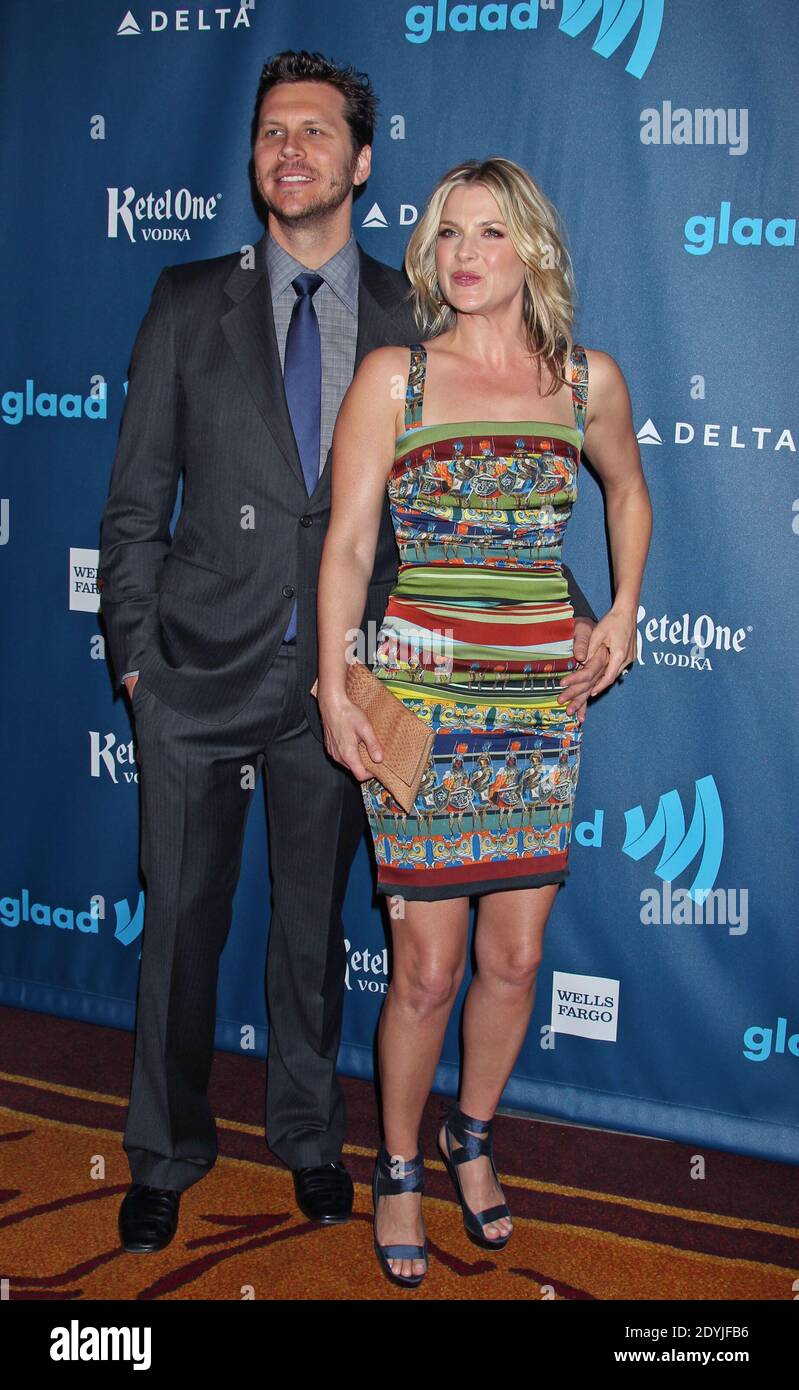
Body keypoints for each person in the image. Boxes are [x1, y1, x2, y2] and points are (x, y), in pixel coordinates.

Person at [98, 47, 603, 1256]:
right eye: (272, 131)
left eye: (316, 132)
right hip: (198, 671)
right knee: (180, 926)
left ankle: (313, 1140)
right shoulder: (184, 302)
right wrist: (135, 662)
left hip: (364, 686)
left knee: (317, 932)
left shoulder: (413, 318)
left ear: (362, 163)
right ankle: (166, 1151)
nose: (289, 150)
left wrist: (576, 606)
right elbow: (131, 507)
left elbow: (491, 493)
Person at [316, 156, 651, 1286]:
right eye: (447, 233)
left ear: (533, 254)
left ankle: (474, 1135)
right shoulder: (393, 381)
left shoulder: (585, 382)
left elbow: (628, 491)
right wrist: (332, 683)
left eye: (490, 234)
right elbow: (351, 548)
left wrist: (624, 611)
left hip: (537, 706)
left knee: (514, 959)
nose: (464, 253)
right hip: (418, 701)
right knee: (425, 968)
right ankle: (399, 1164)